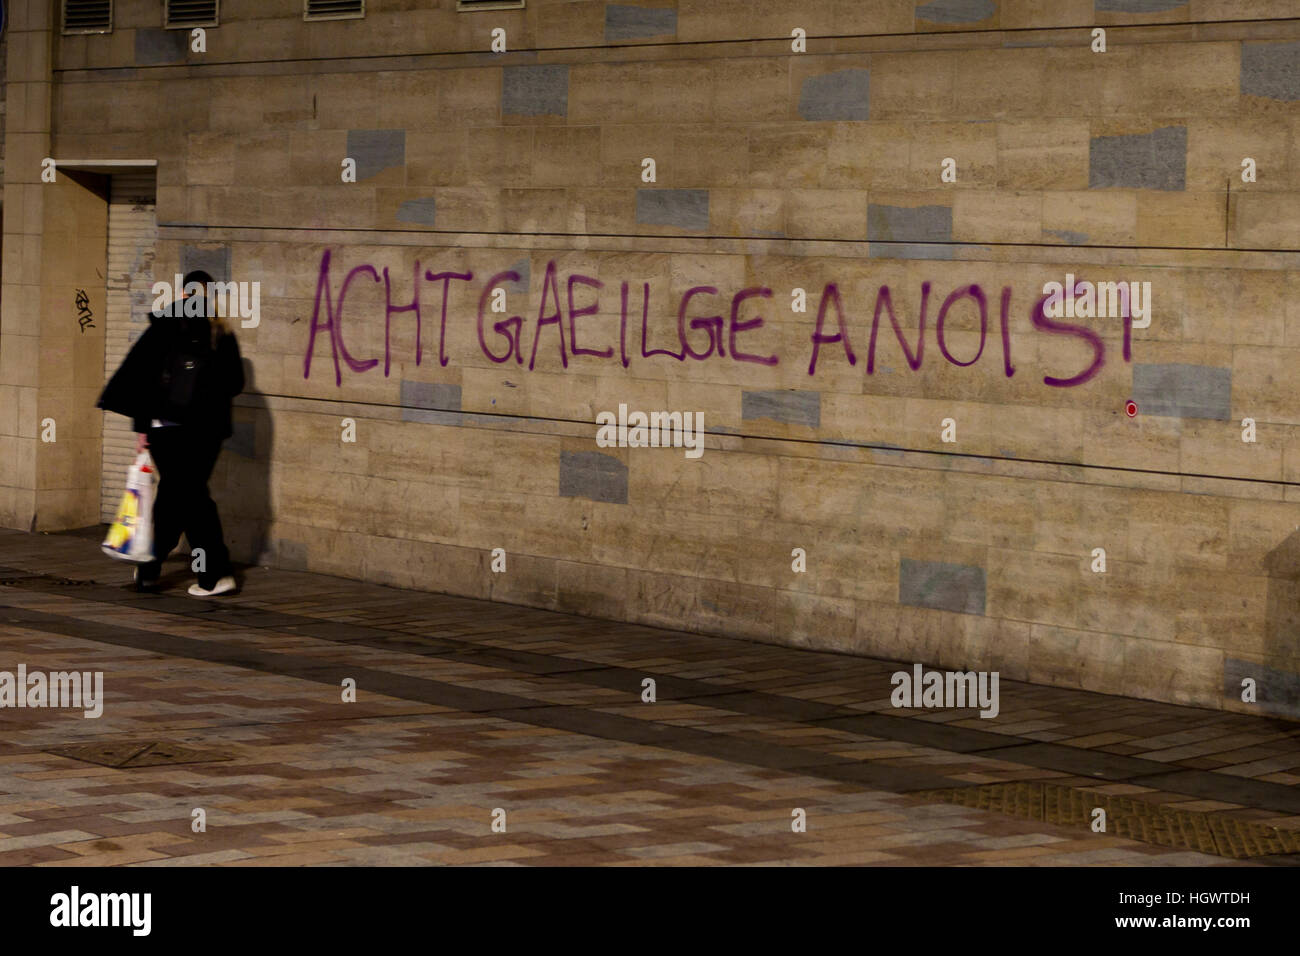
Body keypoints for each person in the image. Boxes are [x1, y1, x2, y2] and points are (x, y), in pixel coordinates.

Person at [97, 270, 245, 596]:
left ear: (181, 293)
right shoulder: (222, 333)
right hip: (206, 433)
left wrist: (141, 429)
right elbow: (235, 383)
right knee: (183, 495)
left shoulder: (166, 326)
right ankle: (154, 568)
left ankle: (210, 573)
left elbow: (140, 377)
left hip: (167, 429)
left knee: (186, 497)